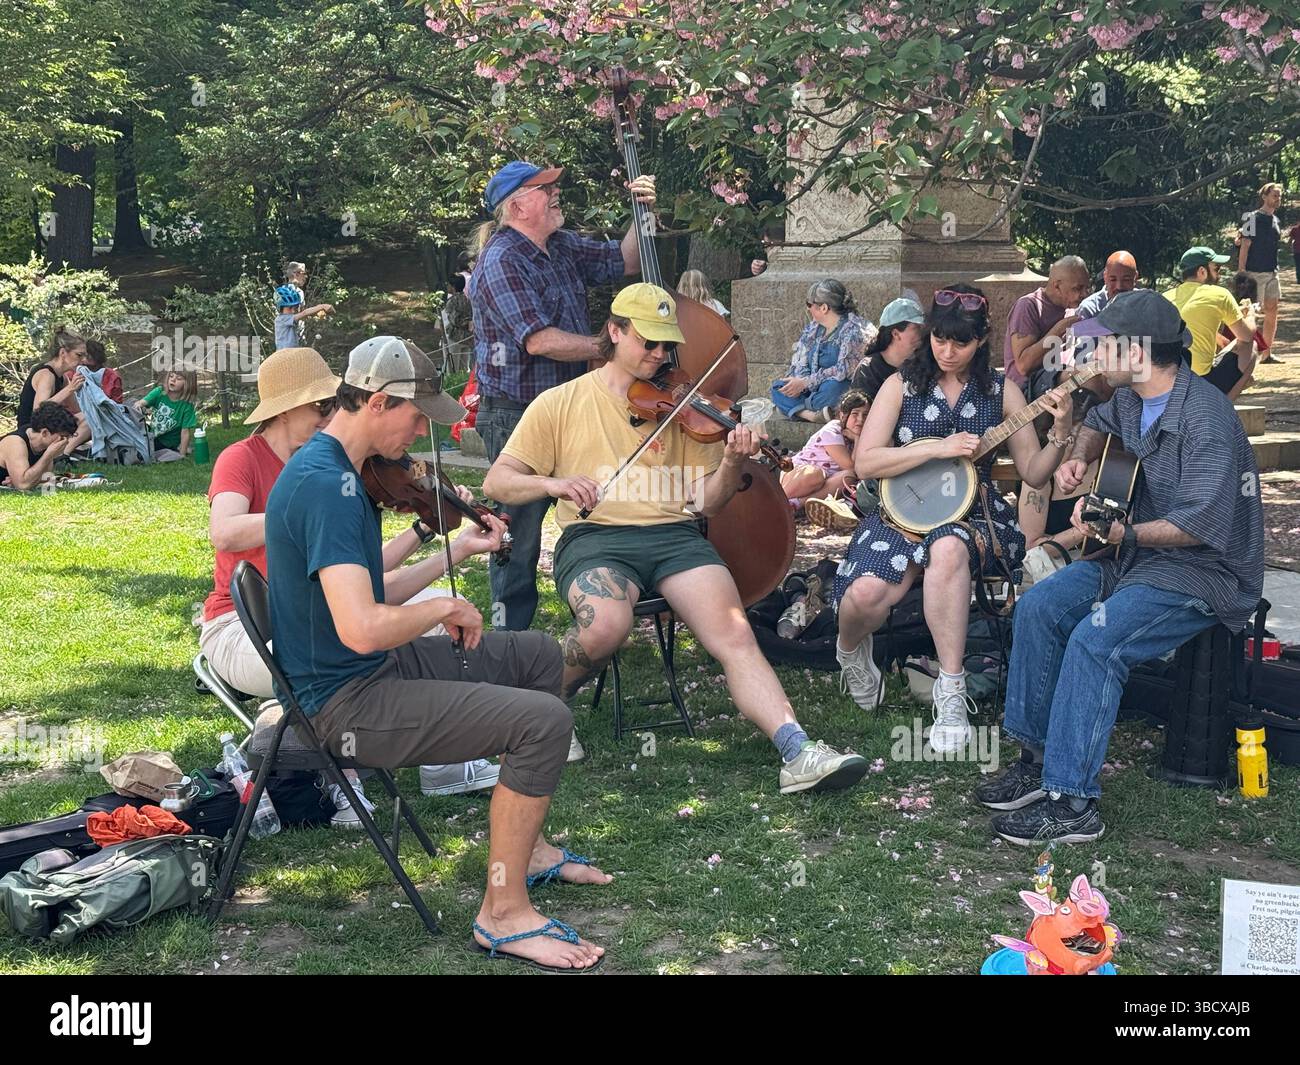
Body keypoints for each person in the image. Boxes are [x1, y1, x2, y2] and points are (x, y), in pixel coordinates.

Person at [265, 335, 608, 971]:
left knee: (535, 656)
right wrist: (444, 607)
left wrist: (454, 554)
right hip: (343, 704)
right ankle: (501, 913)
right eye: (418, 415)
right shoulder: (324, 486)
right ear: (374, 401)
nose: (425, 433)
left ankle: (525, 851)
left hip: (364, 672)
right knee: (543, 722)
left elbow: (369, 591)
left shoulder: (338, 473)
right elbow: (363, 628)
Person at [482, 283, 868, 796]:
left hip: (675, 537)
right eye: (650, 342)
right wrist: (552, 484)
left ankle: (799, 751)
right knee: (605, 626)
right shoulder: (560, 402)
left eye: (668, 346)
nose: (662, 356)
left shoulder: (686, 407)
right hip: (597, 538)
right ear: (615, 333)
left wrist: (732, 461)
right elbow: (497, 482)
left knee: (734, 632)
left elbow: (706, 502)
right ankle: (538, 709)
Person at [977, 290, 1263, 845]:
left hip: (1201, 570)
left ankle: (1073, 801)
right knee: (1039, 605)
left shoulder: (1208, 419)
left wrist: (1123, 532)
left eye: (1106, 341)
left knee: (1094, 639)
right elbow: (1098, 421)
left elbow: (1200, 526)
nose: (1093, 349)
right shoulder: (1131, 398)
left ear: (1137, 351)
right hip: (1133, 557)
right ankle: (1036, 761)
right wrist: (1082, 456)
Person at [200, 345, 502, 814]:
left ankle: (440, 760)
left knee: (419, 609)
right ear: (285, 411)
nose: (332, 413)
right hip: (242, 627)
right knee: (348, 647)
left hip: (315, 611)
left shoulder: (344, 470)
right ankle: (337, 766)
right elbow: (225, 531)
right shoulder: (246, 460)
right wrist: (302, 512)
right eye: (320, 405)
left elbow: (369, 574)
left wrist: (435, 533)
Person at [833, 285, 1074, 753]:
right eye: (939, 339)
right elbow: (866, 463)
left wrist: (1061, 431)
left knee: (947, 547)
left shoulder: (1000, 391)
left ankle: (951, 690)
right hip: (899, 511)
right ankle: (850, 652)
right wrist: (937, 447)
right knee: (865, 595)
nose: (946, 351)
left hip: (973, 514)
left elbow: (1033, 473)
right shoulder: (900, 383)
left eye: (959, 342)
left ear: (981, 340)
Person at [467, 159, 658, 631]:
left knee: (600, 507)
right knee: (518, 536)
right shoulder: (501, 260)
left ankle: (604, 612)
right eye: (545, 188)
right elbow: (539, 340)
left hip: (571, 407)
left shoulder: (562, 245)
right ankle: (509, 643)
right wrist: (608, 347)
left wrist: (642, 212)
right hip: (516, 414)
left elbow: (627, 261)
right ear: (517, 205)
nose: (556, 194)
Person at [770, 279, 874, 422]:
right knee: (778, 387)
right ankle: (811, 415)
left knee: (836, 388)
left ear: (824, 308)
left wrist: (806, 382)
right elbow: (801, 361)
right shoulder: (813, 328)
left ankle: (793, 409)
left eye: (809, 304)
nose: (808, 309)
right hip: (811, 390)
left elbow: (842, 371)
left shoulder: (854, 331)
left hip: (834, 387)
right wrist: (799, 382)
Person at [1164, 246, 1255, 400]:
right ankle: (1223, 407)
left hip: (1169, 384)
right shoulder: (1219, 295)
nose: (1218, 275)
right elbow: (1247, 336)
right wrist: (1251, 315)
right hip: (1202, 380)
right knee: (1251, 347)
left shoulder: (1164, 298)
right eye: (1216, 269)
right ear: (1202, 271)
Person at [1004, 256, 1092, 394]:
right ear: (1057, 286)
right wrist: (1059, 329)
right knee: (1083, 378)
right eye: (1078, 288)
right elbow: (1023, 366)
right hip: (1025, 389)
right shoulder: (1028, 306)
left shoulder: (1072, 309)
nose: (1084, 294)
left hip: (1056, 379)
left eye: (1087, 288)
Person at [782, 390, 869, 524]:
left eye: (865, 415)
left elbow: (855, 469)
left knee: (849, 477)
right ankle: (778, 502)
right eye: (855, 414)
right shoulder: (832, 429)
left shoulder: (862, 436)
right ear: (843, 415)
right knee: (816, 474)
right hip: (798, 476)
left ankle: (796, 504)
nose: (860, 420)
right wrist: (858, 437)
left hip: (826, 483)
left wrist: (858, 438)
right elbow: (849, 464)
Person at [17, 326, 92, 454]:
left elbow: (77, 409)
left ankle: (63, 452)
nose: (83, 360)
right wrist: (70, 389)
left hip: (50, 424)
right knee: (88, 418)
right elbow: (38, 410)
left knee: (91, 416)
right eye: (79, 355)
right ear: (63, 353)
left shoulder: (62, 377)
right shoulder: (46, 374)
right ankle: (61, 455)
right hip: (32, 428)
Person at [1237, 182, 1283, 359]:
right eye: (1274, 195)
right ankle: (1248, 355)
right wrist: (1242, 271)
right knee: (1251, 314)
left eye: (1279, 196)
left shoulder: (1276, 220)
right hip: (1254, 272)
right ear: (1264, 196)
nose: (1277, 199)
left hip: (1272, 272)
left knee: (1272, 311)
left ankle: (1266, 353)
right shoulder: (1251, 217)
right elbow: (1245, 244)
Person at [850, 297, 926, 401]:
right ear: (896, 334)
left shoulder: (924, 362)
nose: (923, 332)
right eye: (917, 327)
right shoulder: (868, 370)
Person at [0, 401, 76, 490]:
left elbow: (46, 478)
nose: (65, 441)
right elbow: (23, 485)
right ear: (44, 433)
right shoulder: (15, 443)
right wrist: (48, 456)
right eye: (62, 437)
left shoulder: (43, 443)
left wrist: (22, 480)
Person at [134, 370, 199, 461]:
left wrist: (182, 454)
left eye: (178, 378)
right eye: (171, 376)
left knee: (141, 451)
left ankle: (176, 451)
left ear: (188, 384)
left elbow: (185, 432)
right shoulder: (159, 392)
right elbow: (141, 403)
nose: (173, 380)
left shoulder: (187, 406)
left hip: (167, 443)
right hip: (151, 435)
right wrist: (140, 405)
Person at [273, 285, 333, 352]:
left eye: (295, 307)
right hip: (285, 354)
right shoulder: (282, 319)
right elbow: (304, 313)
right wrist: (322, 306)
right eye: (289, 308)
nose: (293, 311)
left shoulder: (288, 318)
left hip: (292, 352)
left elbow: (304, 316)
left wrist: (316, 313)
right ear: (280, 307)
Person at [67, 339, 124, 404]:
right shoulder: (73, 374)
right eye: (81, 355)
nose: (83, 359)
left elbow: (117, 404)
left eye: (86, 355)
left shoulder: (112, 377)